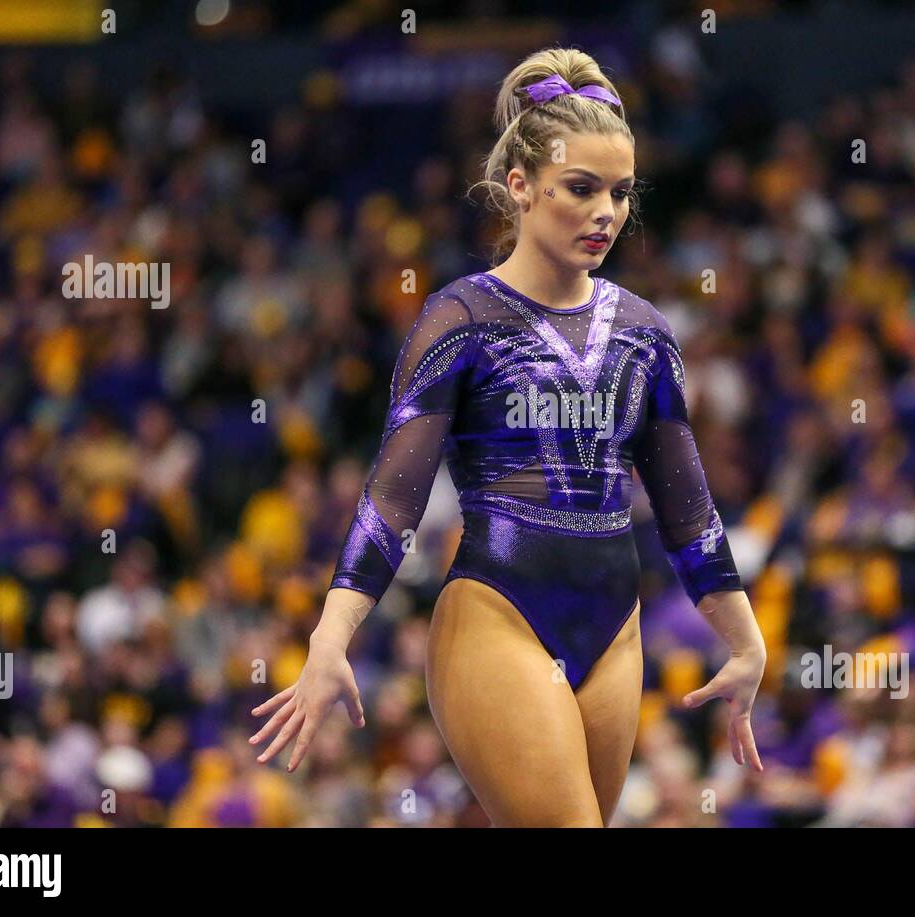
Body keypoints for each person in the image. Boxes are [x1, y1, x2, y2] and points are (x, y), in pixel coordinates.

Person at [249, 47, 767, 827]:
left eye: (621, 192)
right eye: (582, 188)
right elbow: (394, 497)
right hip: (499, 614)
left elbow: (687, 509)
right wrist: (331, 636)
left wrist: (746, 641)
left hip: (614, 628)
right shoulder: (461, 319)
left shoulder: (645, 333)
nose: (606, 212)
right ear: (521, 186)